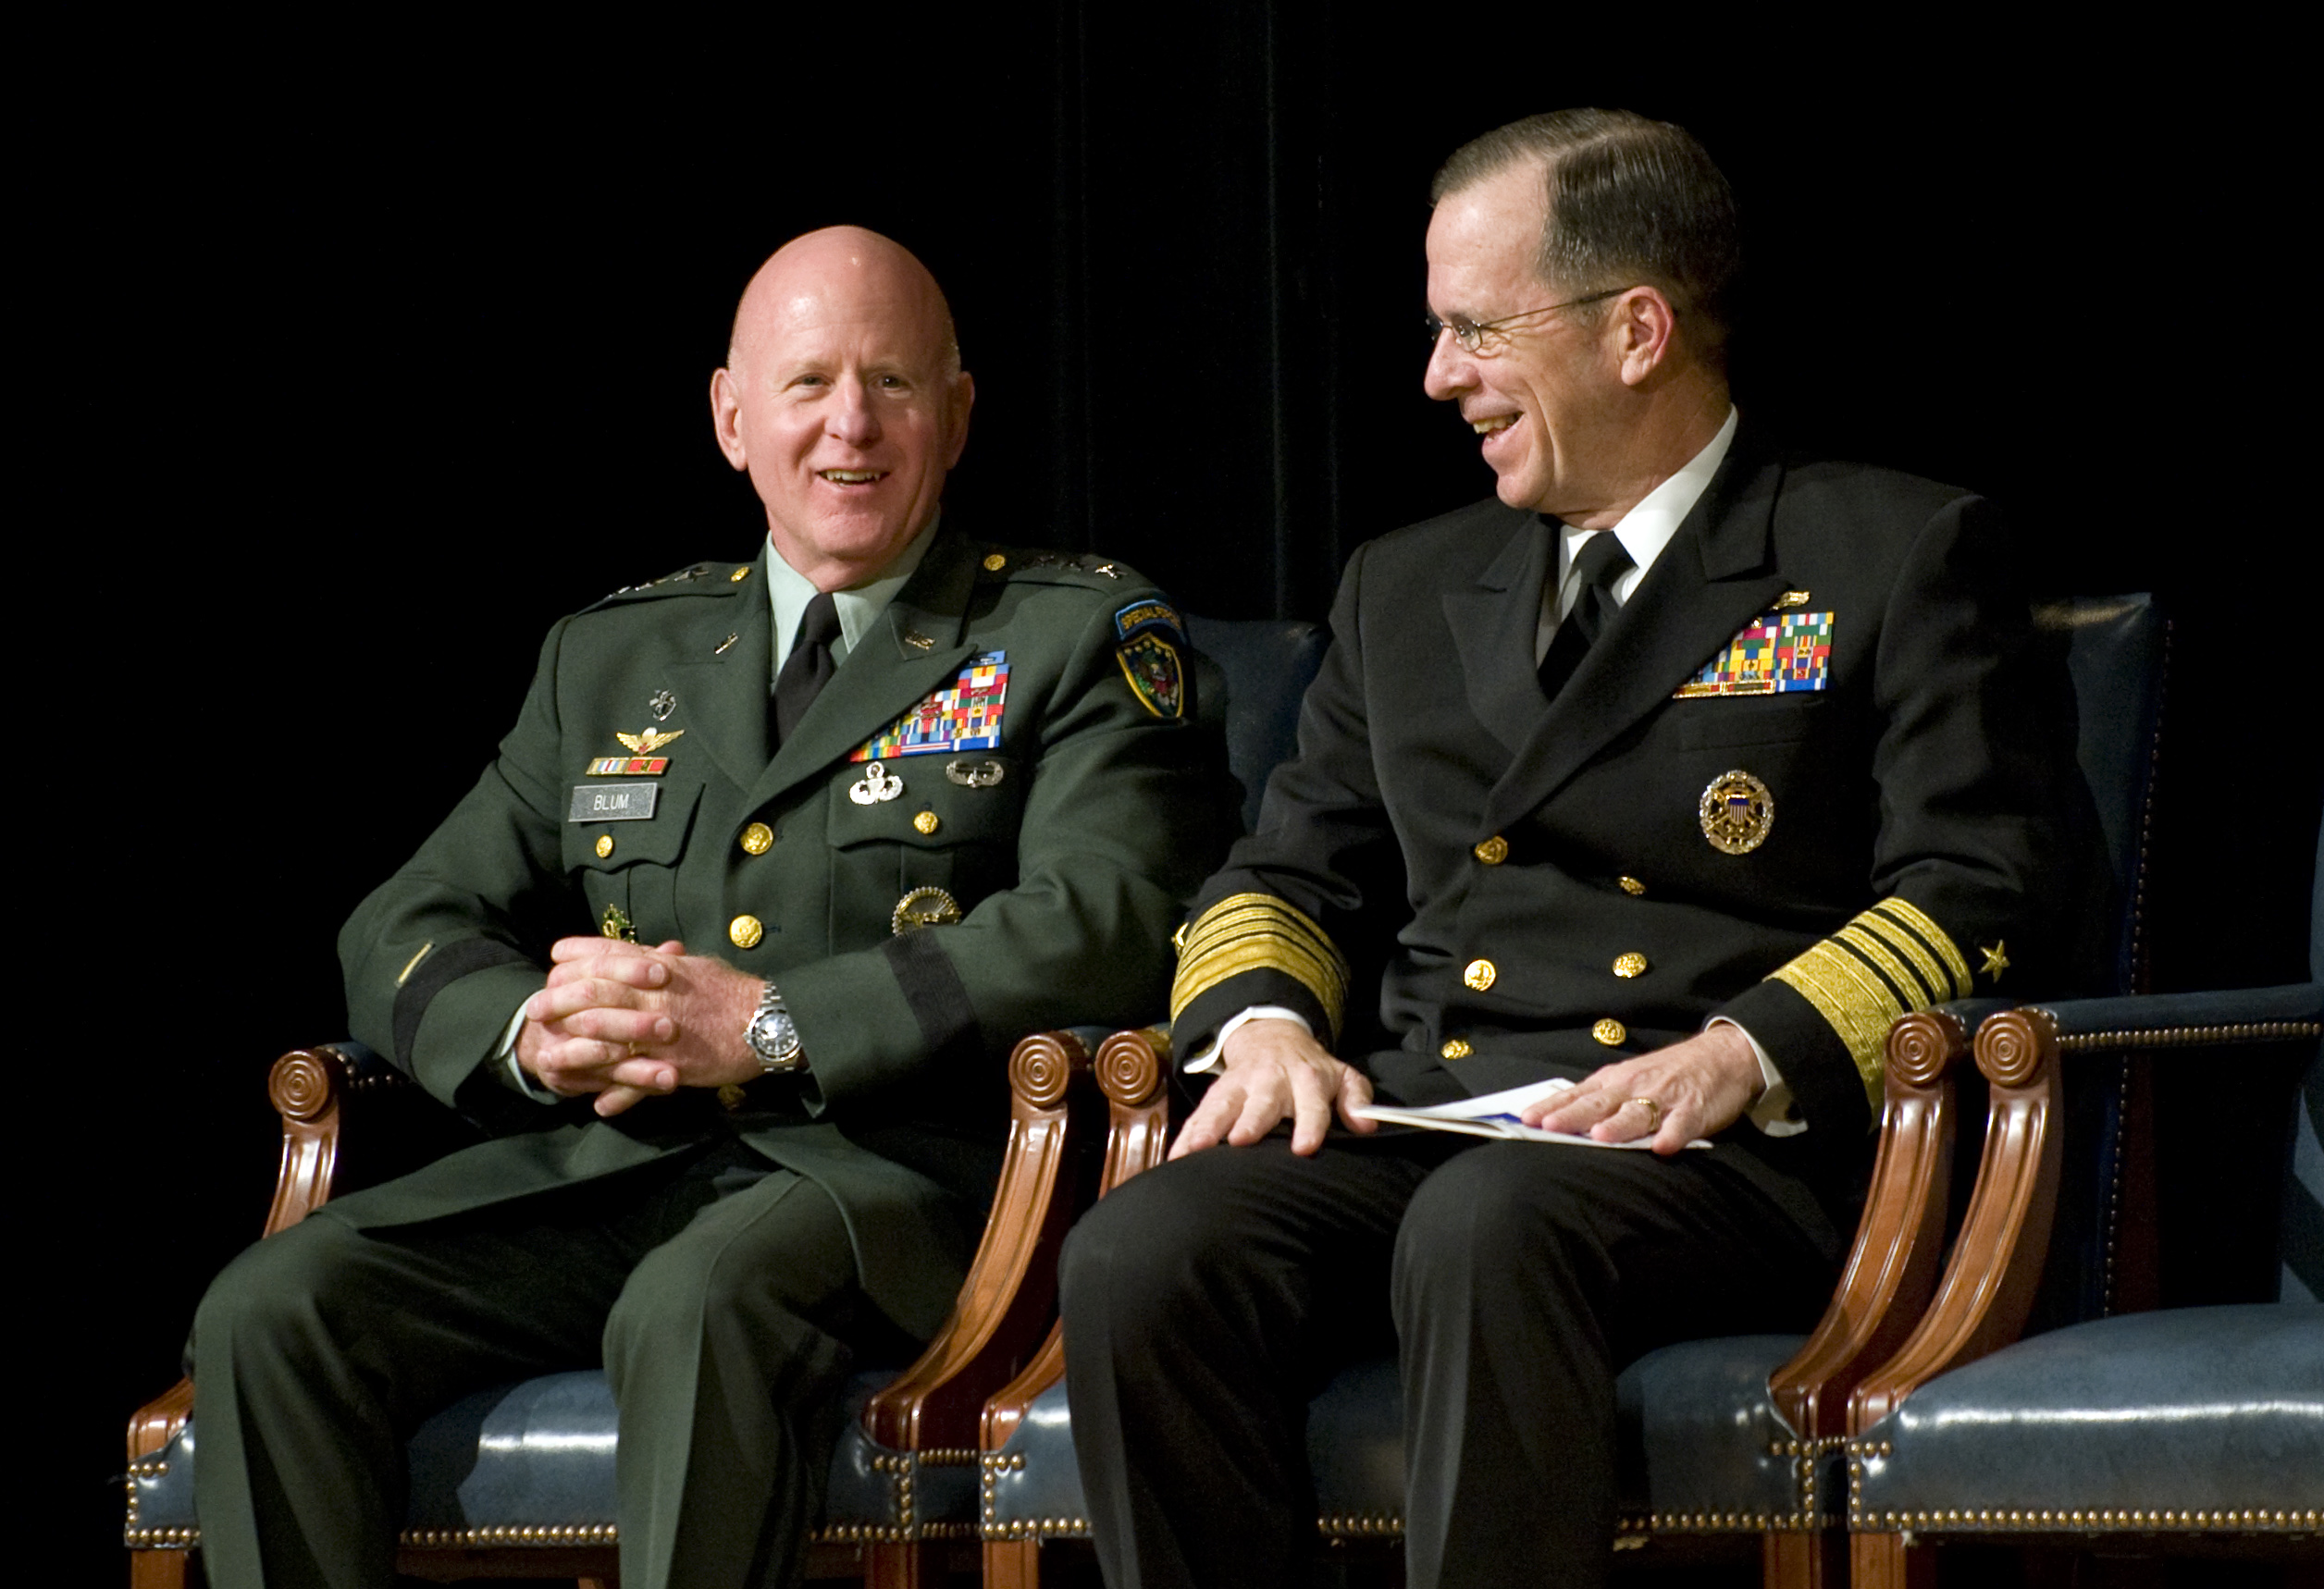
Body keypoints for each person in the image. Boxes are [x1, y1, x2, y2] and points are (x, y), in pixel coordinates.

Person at [1057, 110, 2098, 1589]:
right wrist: (1268, 1025)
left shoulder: (1887, 553)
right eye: (1437, 330)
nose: (1440, 376)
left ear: (1636, 331)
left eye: (1479, 329)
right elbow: (1285, 874)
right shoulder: (1402, 587)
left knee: (1488, 1224)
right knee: (1143, 1249)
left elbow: (1986, 882)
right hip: (1444, 1115)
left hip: (1725, 1145)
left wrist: (1742, 1052)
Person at [187, 227, 1221, 1589]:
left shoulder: (1071, 632)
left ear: (959, 414)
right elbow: (405, 920)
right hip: (619, 1165)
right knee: (274, 1308)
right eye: (808, 384)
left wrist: (778, 1021)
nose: (850, 425)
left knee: (694, 1304)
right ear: (733, 419)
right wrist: (532, 1033)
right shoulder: (617, 655)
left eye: (892, 383)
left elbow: (1106, 919)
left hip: (907, 1184)